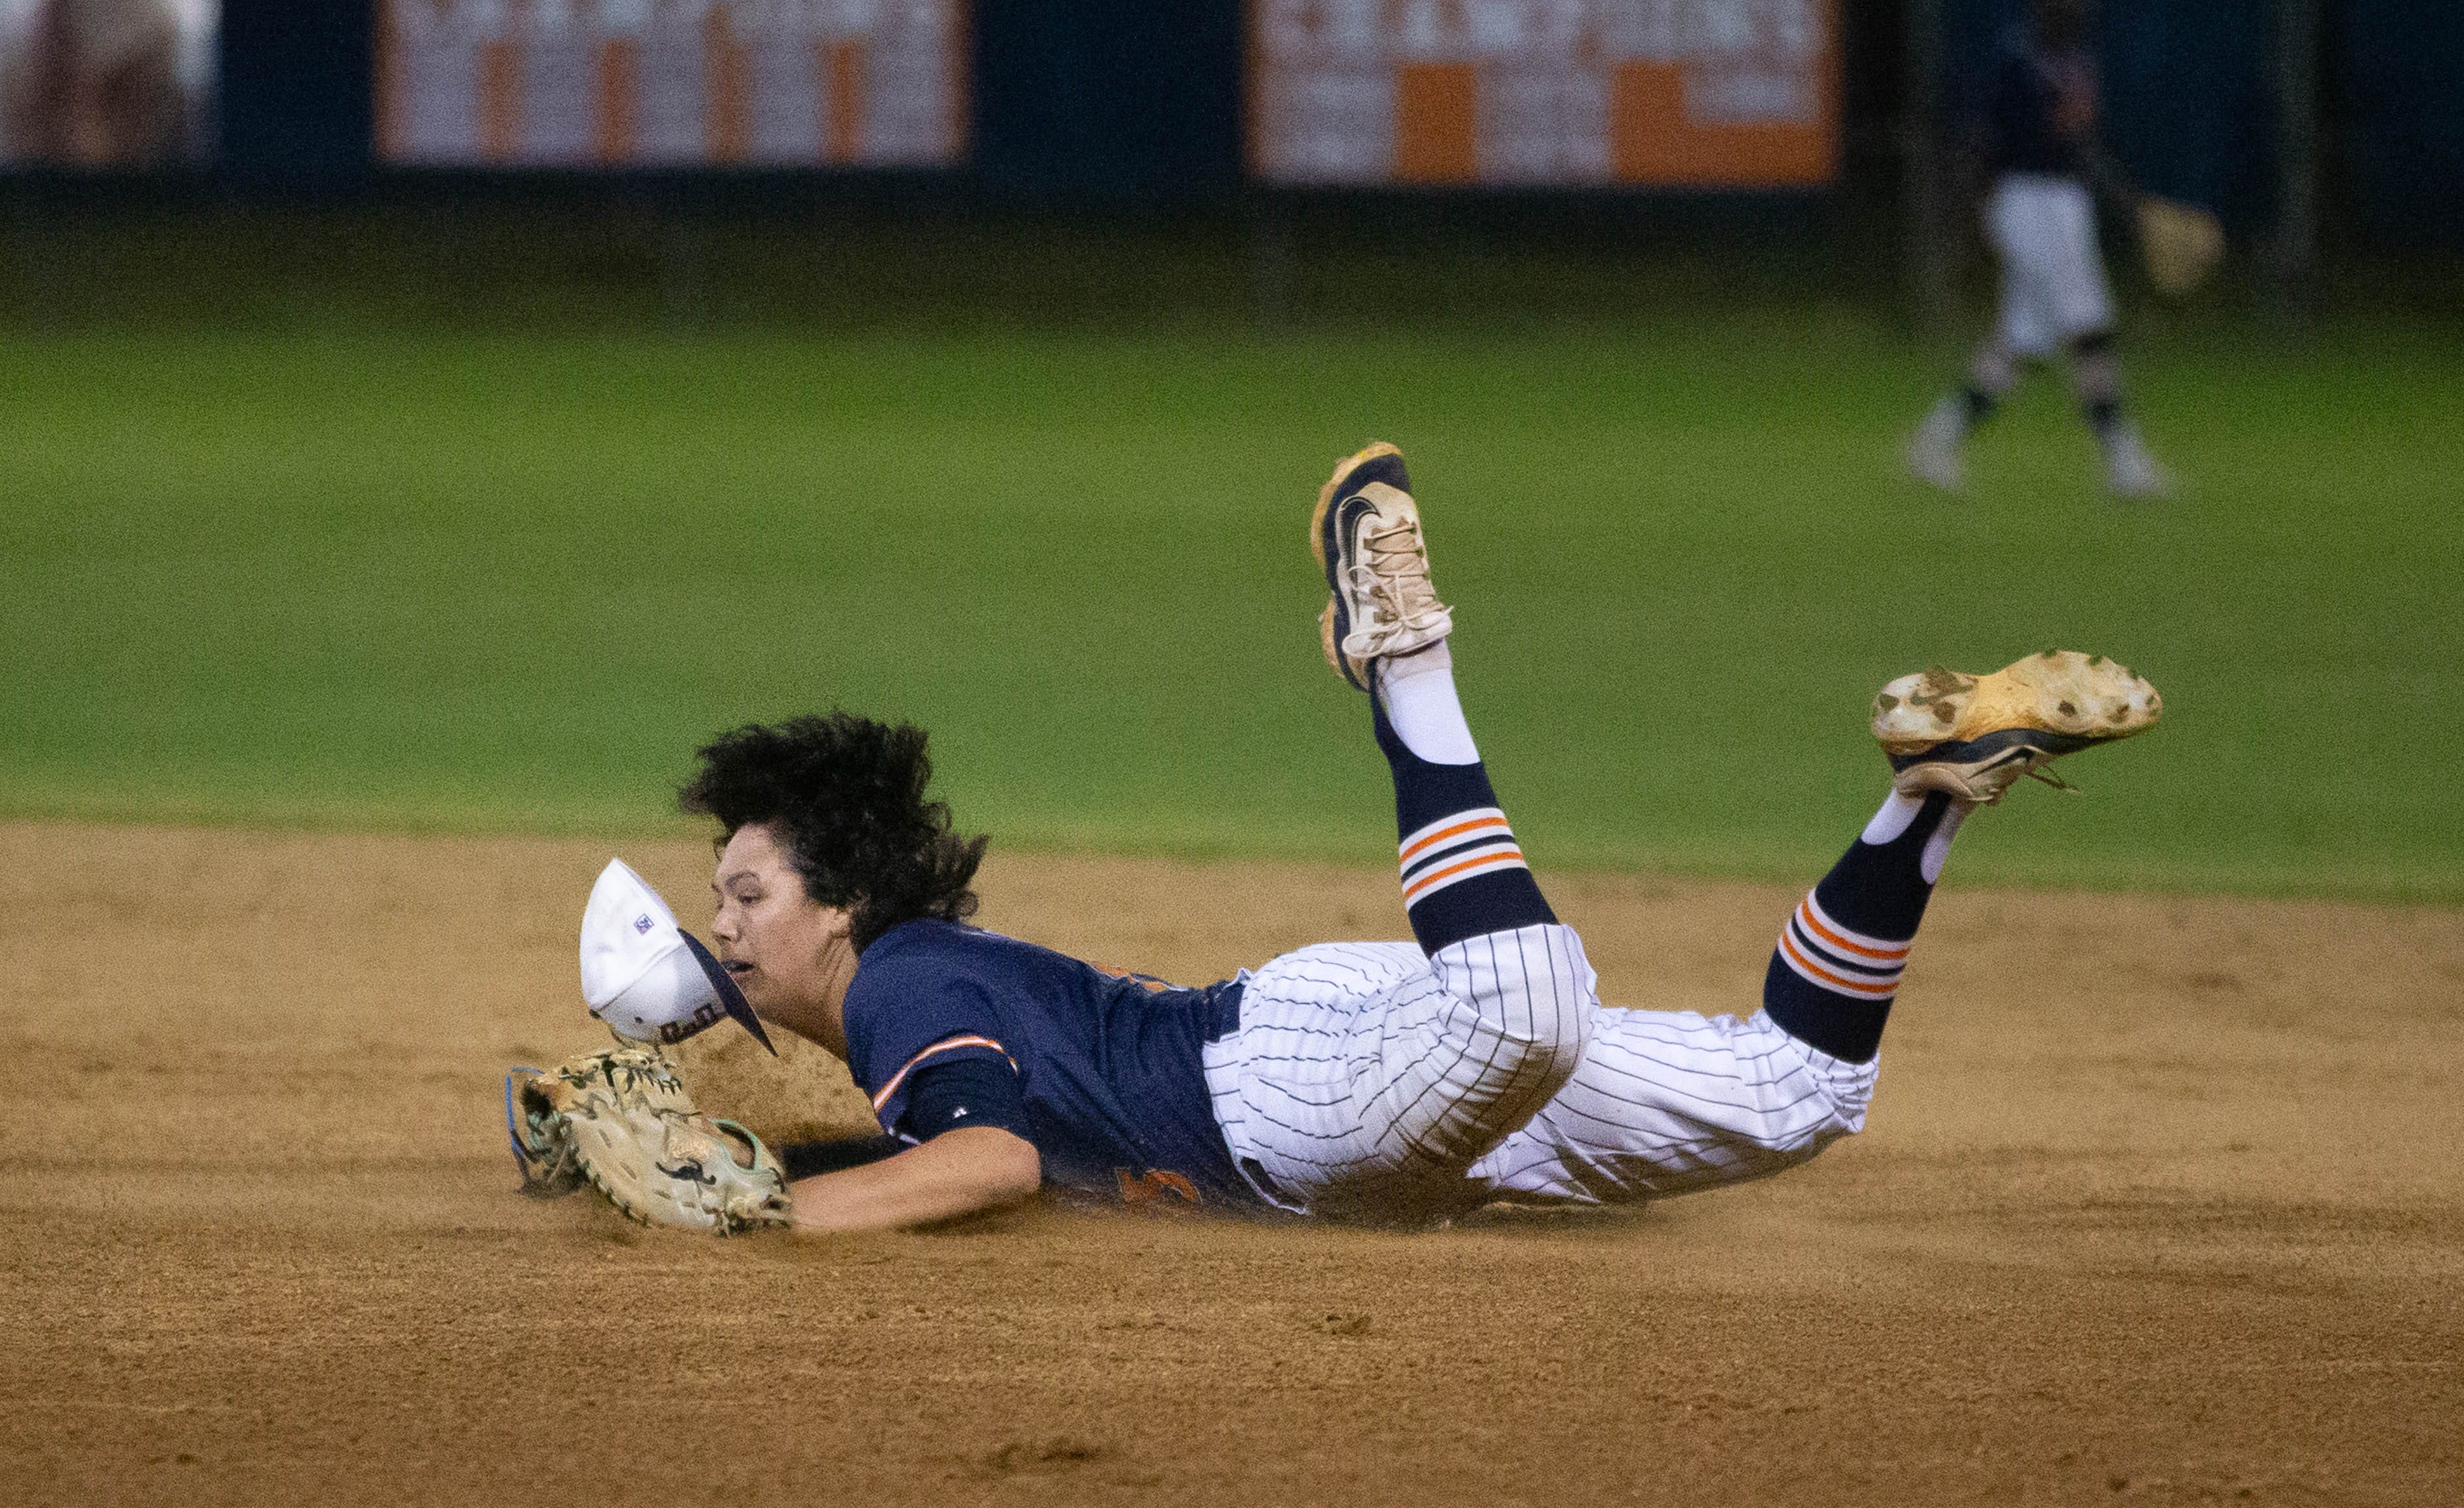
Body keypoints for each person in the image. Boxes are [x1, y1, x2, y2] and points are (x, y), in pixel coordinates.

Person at [693, 443, 2159, 1233]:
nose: (727, 922)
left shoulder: (896, 980)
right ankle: (1920, 793)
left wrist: (746, 1224)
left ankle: (1398, 655)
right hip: (1351, 1084)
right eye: (719, 900)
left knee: (1526, 1007)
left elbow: (985, 1163)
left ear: (847, 905)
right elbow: (914, 1138)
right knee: (1799, 1090)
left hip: (1287, 1098)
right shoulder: (905, 1005)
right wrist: (731, 1151)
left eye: (749, 889)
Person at [1906, 0, 2173, 499]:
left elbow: (2080, 147)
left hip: (2066, 206)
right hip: (2026, 203)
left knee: (2024, 340)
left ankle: (1937, 439)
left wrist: (2126, 202)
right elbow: (1981, 143)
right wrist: (1960, 220)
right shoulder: (2017, 56)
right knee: (2088, 327)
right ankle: (2123, 461)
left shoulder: (2077, 57)